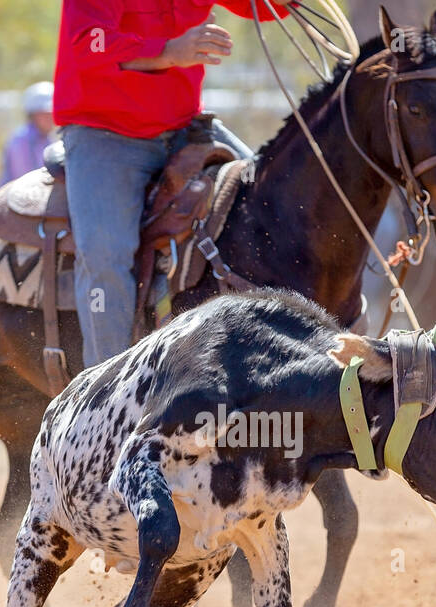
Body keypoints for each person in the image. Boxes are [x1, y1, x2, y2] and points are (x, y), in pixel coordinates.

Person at [53, 0, 277, 368]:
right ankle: (100, 396)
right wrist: (169, 51)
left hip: (183, 128)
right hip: (105, 132)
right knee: (106, 256)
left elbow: (265, 6)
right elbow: (86, 42)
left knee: (271, 204)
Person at [2, 82, 56, 184]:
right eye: (45, 115)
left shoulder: (48, 139)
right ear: (33, 115)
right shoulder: (21, 141)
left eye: (52, 114)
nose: (51, 119)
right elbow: (23, 180)